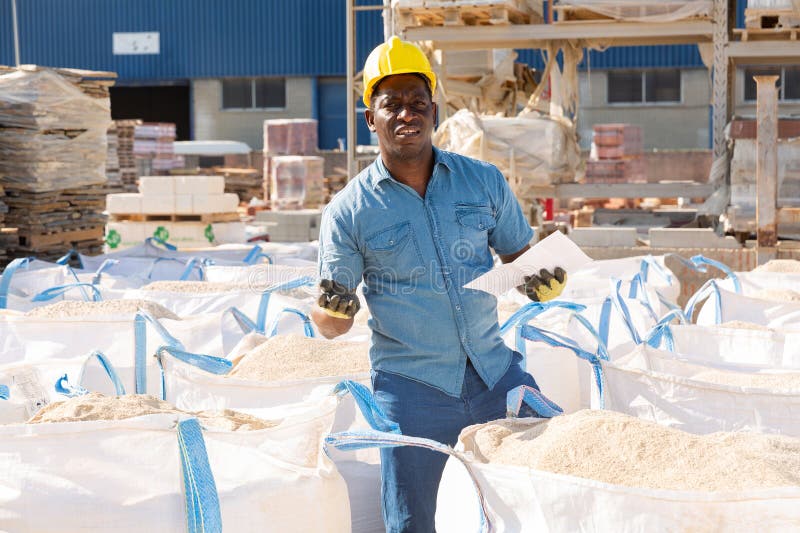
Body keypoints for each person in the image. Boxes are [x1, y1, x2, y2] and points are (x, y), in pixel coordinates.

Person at [311, 36, 567, 533]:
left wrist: (544, 278)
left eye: (417, 103)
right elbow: (330, 324)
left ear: (434, 110)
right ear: (371, 118)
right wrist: (329, 312)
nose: (406, 114)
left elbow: (522, 260)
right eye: (392, 105)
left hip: (496, 376)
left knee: (543, 498)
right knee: (412, 522)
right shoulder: (348, 212)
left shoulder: (483, 181)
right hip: (413, 392)